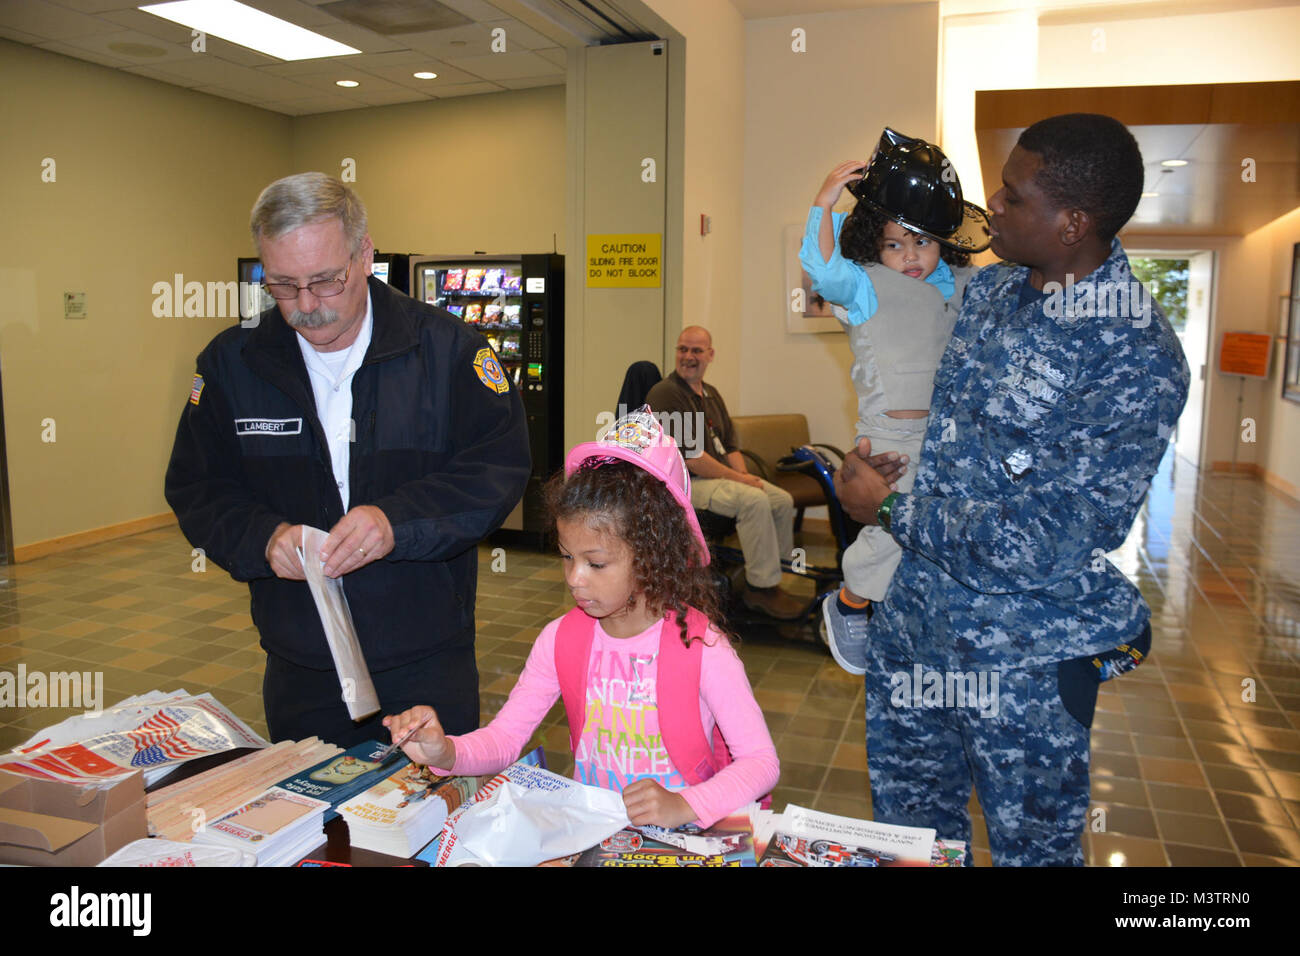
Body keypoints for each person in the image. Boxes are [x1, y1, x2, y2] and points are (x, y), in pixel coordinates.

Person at [833, 114, 1190, 866]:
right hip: (915, 634)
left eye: (1014, 196)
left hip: (1021, 668)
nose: (993, 203)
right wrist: (884, 467)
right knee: (912, 845)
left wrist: (890, 509)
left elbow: (1043, 538)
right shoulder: (986, 293)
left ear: (1074, 223)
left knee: (1033, 854)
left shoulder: (1136, 354)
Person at [165, 173, 531, 748]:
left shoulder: (450, 351)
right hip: (301, 659)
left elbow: (496, 470)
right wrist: (264, 538)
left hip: (424, 652)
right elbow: (197, 486)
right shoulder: (231, 362)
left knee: (431, 819)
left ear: (365, 256)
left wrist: (397, 522)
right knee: (316, 827)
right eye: (283, 286)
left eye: (326, 281)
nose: (307, 307)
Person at [384, 409, 779, 829]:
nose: (575, 578)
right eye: (567, 558)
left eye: (597, 563)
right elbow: (505, 738)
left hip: (679, 836)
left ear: (652, 556)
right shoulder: (561, 640)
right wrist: (446, 752)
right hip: (596, 831)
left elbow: (760, 762)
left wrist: (686, 804)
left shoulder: (702, 646)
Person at [799, 128, 989, 674]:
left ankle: (892, 611)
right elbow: (820, 267)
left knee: (924, 526)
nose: (910, 256)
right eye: (894, 243)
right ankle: (850, 601)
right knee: (890, 524)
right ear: (874, 245)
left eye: (922, 243)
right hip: (887, 434)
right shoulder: (863, 284)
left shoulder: (948, 285)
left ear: (942, 245)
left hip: (941, 435)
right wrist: (826, 202)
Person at [645, 327, 804, 620]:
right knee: (753, 500)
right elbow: (692, 459)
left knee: (781, 499)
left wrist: (748, 478)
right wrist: (742, 482)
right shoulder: (666, 393)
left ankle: (774, 575)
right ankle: (761, 589)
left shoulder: (711, 394)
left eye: (696, 351)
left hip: (716, 478)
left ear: (710, 355)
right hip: (687, 484)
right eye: (683, 349)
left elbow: (730, 446)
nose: (688, 357)